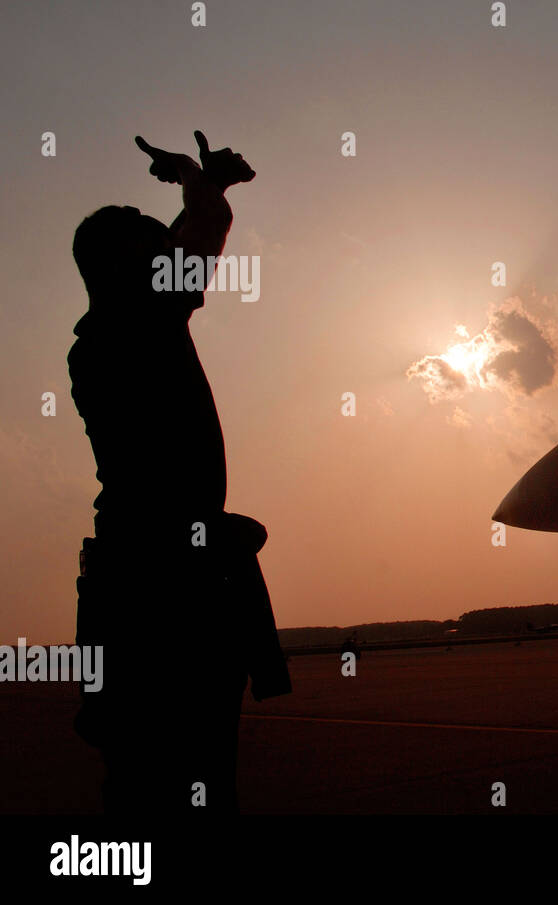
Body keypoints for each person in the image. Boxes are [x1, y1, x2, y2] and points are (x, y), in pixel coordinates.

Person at [69, 131, 289, 814]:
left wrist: (207, 194)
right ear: (120, 264)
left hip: (162, 579)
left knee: (166, 776)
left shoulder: (121, 324)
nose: (159, 237)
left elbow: (177, 251)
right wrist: (202, 189)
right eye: (141, 232)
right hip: (158, 589)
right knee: (169, 778)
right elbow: (186, 254)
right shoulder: (129, 323)